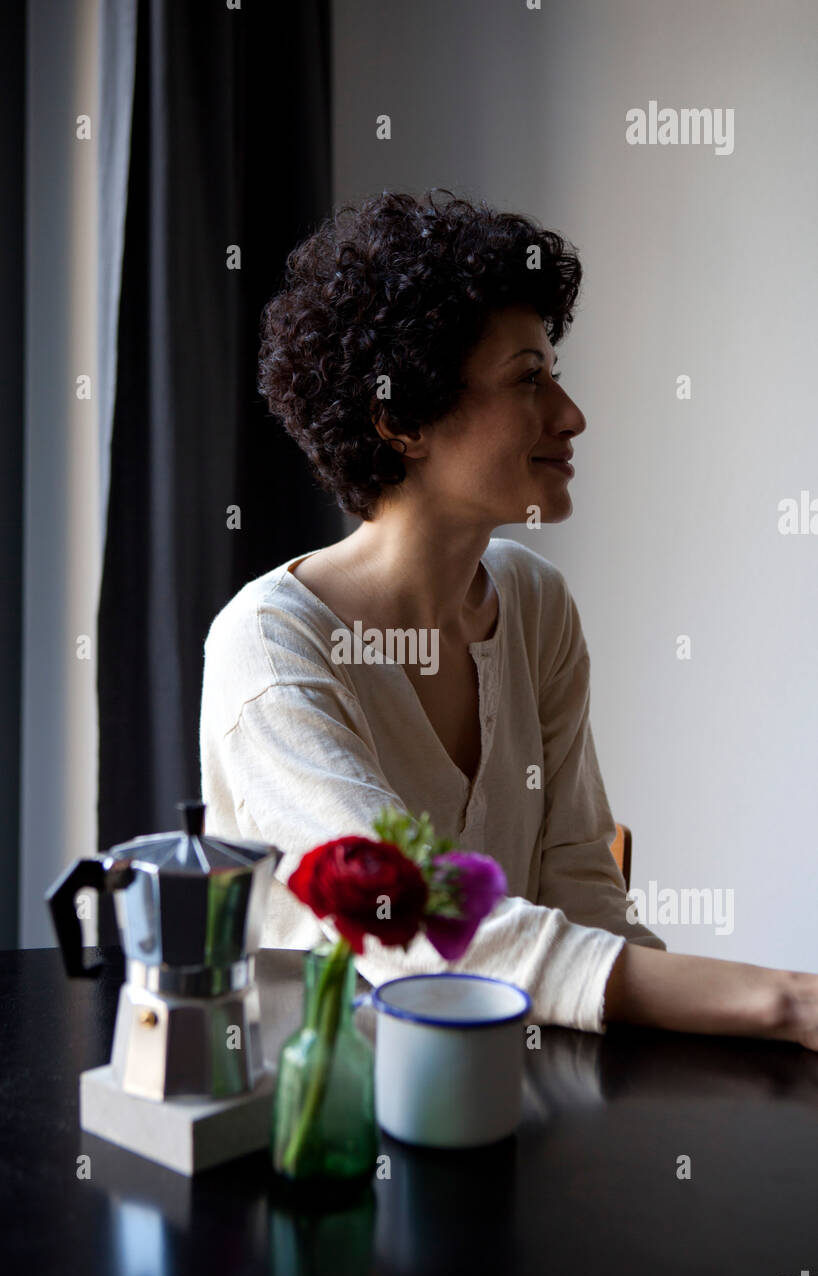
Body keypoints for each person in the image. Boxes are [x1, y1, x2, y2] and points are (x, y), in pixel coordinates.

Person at [200, 189, 818, 1050]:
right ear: (401, 419)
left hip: (517, 1100)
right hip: (333, 1127)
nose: (571, 416)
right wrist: (782, 1003)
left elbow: (583, 890)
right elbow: (413, 925)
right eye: (529, 379)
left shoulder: (534, 606)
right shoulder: (270, 648)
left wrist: (683, 1077)